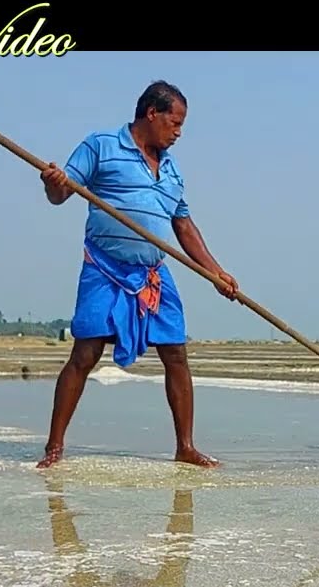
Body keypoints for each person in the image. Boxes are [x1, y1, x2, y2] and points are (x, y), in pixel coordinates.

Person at [35, 80, 238, 470]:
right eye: (175, 123)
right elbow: (61, 195)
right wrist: (52, 184)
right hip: (104, 268)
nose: (178, 133)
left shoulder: (172, 170)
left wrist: (215, 272)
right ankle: (54, 447)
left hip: (152, 273)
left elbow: (183, 225)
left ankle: (185, 447)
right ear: (152, 113)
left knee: (176, 354)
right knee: (85, 353)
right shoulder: (101, 146)